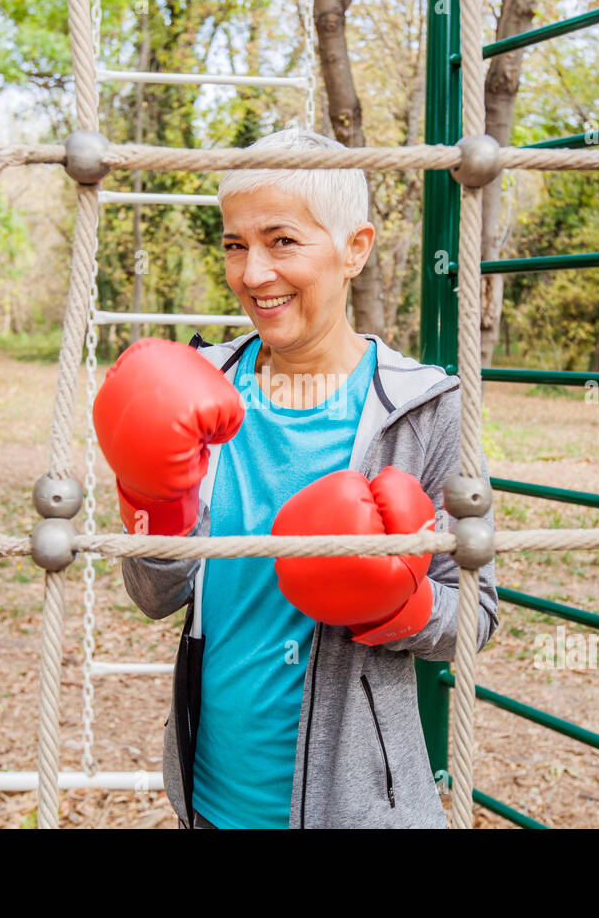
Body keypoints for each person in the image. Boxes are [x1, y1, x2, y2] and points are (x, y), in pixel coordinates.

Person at [94, 127, 499, 829]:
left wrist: (392, 604)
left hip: (361, 811)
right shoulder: (198, 383)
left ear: (355, 248)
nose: (253, 274)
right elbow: (155, 597)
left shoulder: (427, 407)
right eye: (234, 244)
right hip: (211, 799)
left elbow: (476, 618)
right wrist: (151, 504)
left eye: (282, 241)